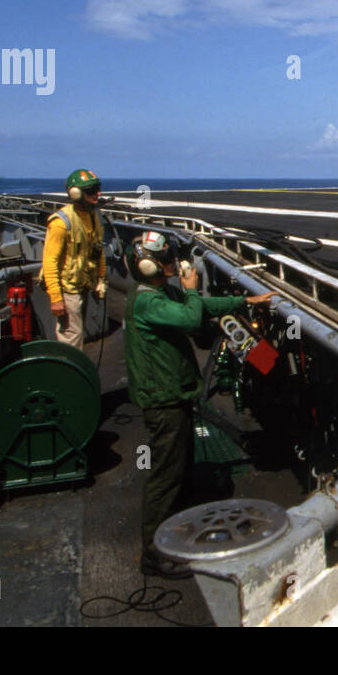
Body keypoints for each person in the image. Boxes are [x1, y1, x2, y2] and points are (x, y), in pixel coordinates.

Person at [124, 229, 278, 578]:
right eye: (167, 260)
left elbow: (201, 307)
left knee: (177, 466)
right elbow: (192, 317)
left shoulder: (154, 292)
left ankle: (173, 529)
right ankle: (153, 554)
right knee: (165, 475)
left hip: (170, 394)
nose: (173, 265)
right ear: (151, 265)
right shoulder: (148, 300)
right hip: (162, 400)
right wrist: (192, 289)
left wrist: (245, 303)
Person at [42, 169, 107, 348]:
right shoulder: (60, 223)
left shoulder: (93, 216)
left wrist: (101, 279)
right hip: (67, 289)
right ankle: (70, 374)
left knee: (76, 336)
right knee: (71, 339)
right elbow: (50, 262)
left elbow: (98, 250)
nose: (98, 194)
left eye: (98, 189)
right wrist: (56, 298)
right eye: (92, 190)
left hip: (83, 286)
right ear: (76, 193)